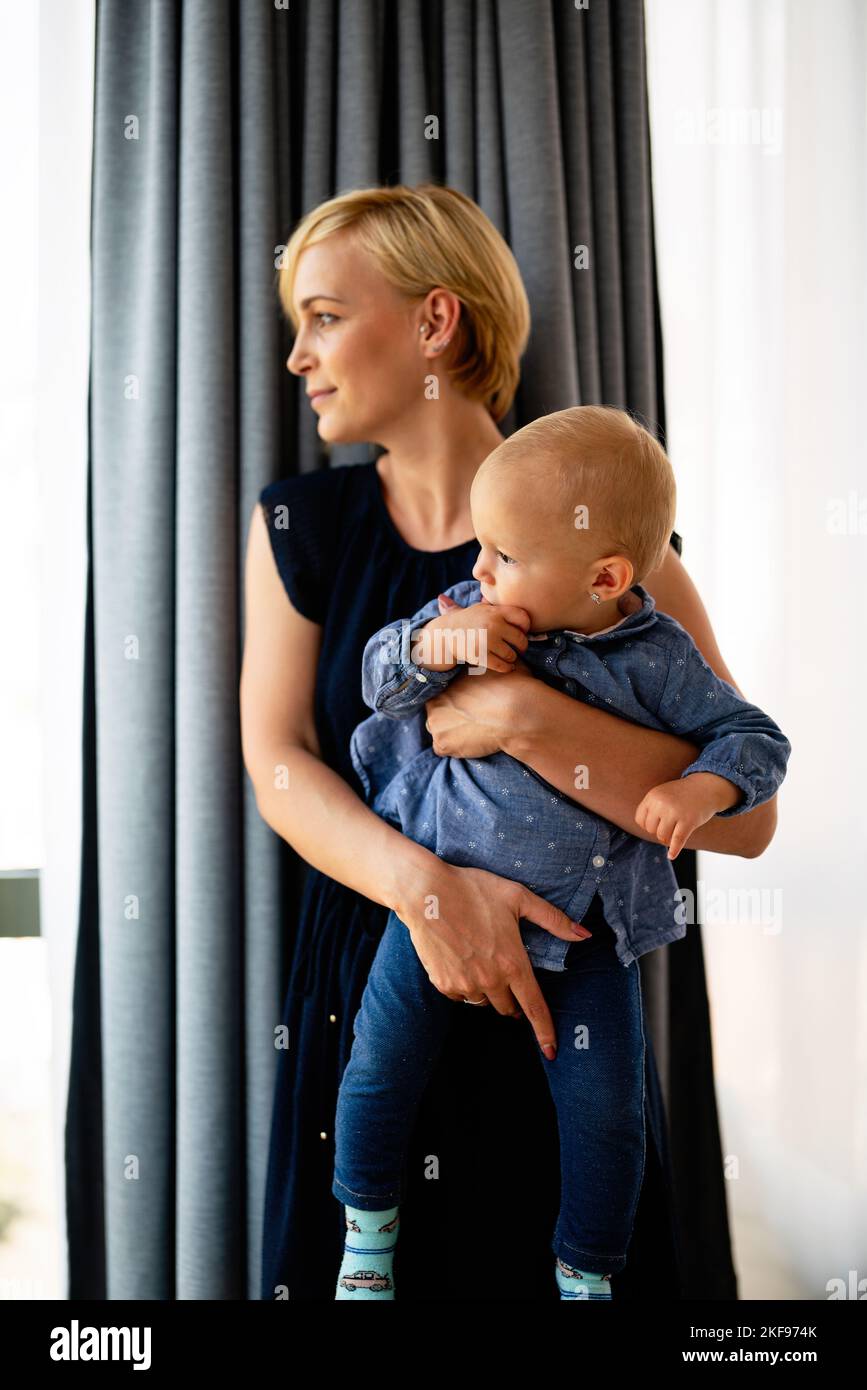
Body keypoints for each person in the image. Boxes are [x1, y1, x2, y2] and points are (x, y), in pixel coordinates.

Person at [240, 183, 778, 1301]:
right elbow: (277, 761)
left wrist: (528, 721)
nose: (298, 355)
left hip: (569, 1007)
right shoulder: (300, 525)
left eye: (326, 316)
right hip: (382, 957)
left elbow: (751, 819)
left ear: (437, 323)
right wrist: (428, 890)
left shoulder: (620, 552)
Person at [332, 405, 791, 1299]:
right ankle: (367, 1235)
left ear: (605, 573)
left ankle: (586, 1275)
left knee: (610, 1118)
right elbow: (377, 678)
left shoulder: (657, 658)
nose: (477, 570)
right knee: (380, 1068)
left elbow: (754, 740)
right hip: (438, 904)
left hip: (586, 932)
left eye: (501, 555)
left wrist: (701, 788)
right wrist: (432, 645)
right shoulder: (467, 614)